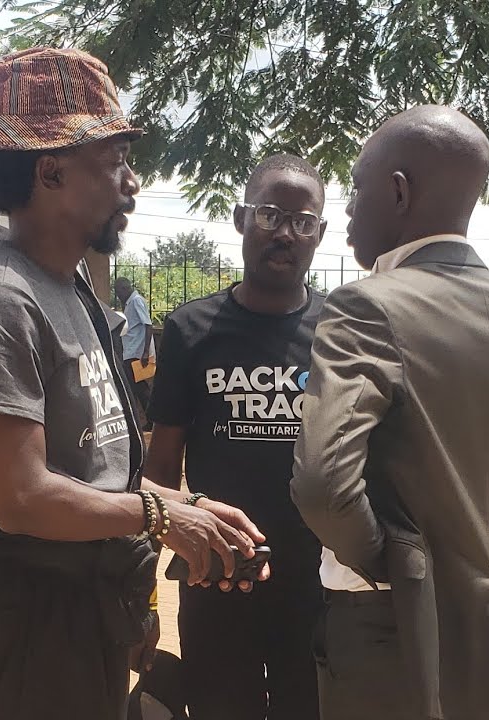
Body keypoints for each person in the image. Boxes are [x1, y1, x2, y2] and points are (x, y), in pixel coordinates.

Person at [0, 47, 265, 720]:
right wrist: (162, 516)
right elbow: (22, 498)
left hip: (88, 614)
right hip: (28, 629)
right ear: (50, 171)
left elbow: (90, 470)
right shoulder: (4, 301)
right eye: (113, 161)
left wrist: (187, 503)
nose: (131, 182)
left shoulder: (72, 288)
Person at [290, 105, 489, 720]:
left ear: (398, 191)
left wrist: (391, 565)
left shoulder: (365, 306)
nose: (347, 209)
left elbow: (321, 484)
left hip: (386, 633)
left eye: (357, 187)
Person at [147, 153, 328, 720]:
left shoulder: (339, 331)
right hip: (217, 573)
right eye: (271, 215)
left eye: (303, 222)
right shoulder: (189, 328)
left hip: (314, 582)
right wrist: (144, 585)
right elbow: (160, 465)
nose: (286, 234)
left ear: (319, 234)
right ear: (239, 218)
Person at [115, 276, 155, 422]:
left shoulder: (136, 301)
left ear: (125, 289)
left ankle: (149, 419)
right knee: (135, 387)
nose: (118, 295)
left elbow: (148, 325)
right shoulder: (129, 303)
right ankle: (145, 420)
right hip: (130, 350)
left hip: (136, 353)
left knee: (138, 388)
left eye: (119, 291)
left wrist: (145, 352)